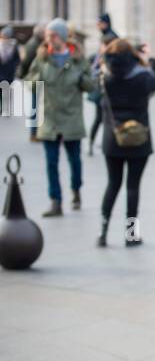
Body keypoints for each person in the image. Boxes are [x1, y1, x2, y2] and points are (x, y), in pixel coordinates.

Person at [97, 38, 155, 247]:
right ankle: (131, 235)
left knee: (112, 184)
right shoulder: (143, 76)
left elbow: (99, 101)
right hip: (139, 136)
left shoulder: (105, 76)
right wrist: (153, 60)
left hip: (113, 137)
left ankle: (103, 232)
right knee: (133, 187)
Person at [24, 18, 93, 216]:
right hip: (50, 118)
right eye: (47, 35)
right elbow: (29, 81)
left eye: (52, 35)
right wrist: (37, 81)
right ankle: (55, 201)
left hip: (72, 118)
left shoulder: (78, 59)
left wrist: (81, 78)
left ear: (61, 37)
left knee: (75, 160)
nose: (48, 39)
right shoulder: (42, 58)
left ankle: (76, 190)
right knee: (51, 163)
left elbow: (91, 86)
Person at [0, 25, 20, 92]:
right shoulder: (14, 45)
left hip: (7, 77)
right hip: (9, 77)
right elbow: (17, 61)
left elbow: (16, 60)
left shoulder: (13, 46)